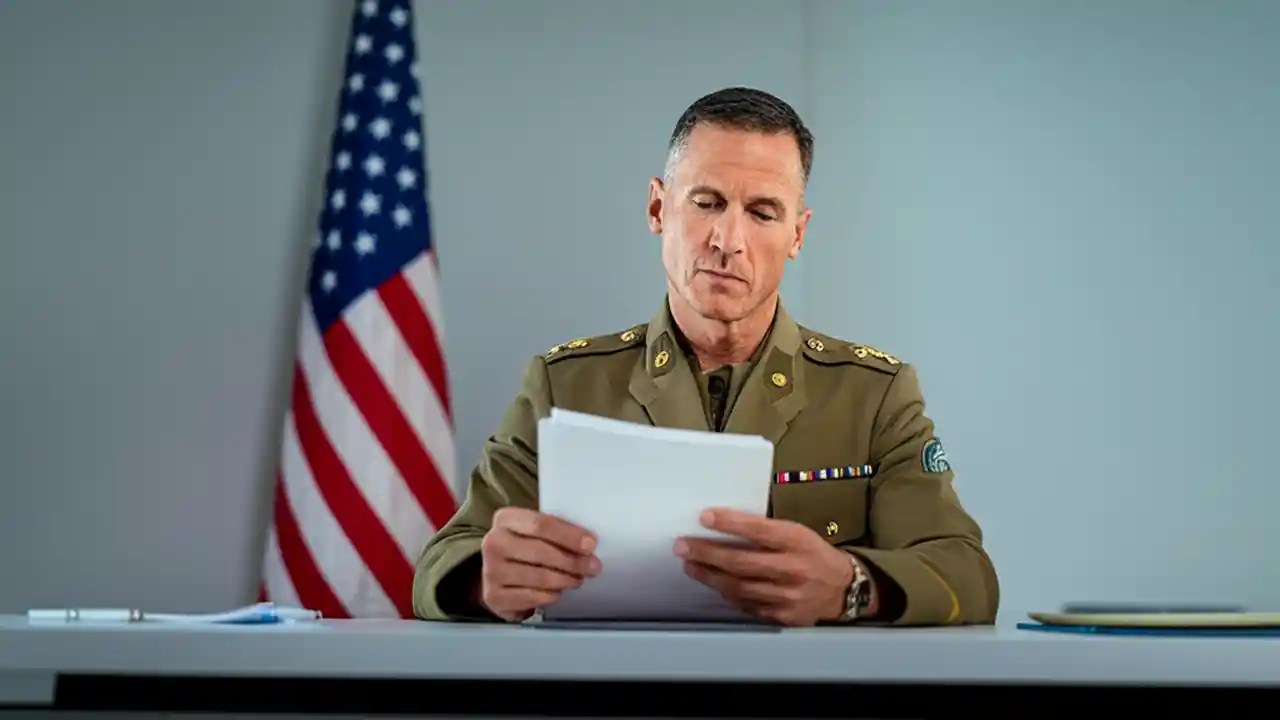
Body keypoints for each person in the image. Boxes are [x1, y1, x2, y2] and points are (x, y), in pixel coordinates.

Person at [413, 87, 999, 627]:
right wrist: (484, 583)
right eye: (707, 201)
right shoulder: (566, 385)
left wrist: (851, 585)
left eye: (763, 212)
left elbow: (967, 575)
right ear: (657, 209)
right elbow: (442, 561)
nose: (727, 239)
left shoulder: (873, 394)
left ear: (798, 235)